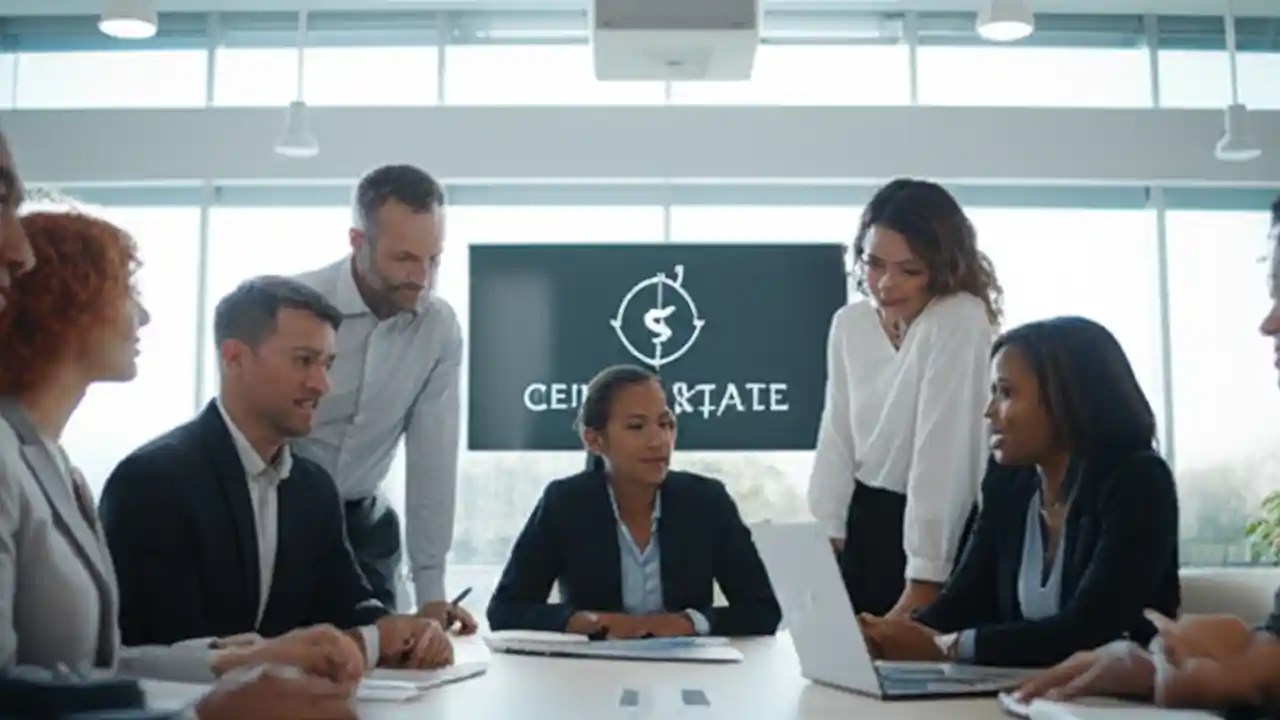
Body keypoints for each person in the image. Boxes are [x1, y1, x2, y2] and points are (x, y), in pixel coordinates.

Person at [0, 207, 361, 719]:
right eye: (128, 291)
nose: (142, 316)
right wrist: (205, 714)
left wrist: (253, 657)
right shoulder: (14, 462)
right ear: (66, 303)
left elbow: (102, 667)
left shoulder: (58, 466)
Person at [99, 276, 454, 672]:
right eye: (304, 360)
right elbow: (163, 648)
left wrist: (407, 633)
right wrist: (361, 642)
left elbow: (348, 603)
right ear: (234, 358)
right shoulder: (153, 483)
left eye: (328, 363)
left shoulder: (313, 488)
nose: (323, 384)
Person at [1016, 197, 1280, 714]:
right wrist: (1166, 656)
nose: (1268, 324)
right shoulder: (1010, 486)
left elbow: (1261, 680)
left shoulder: (1136, 480)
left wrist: (1173, 678)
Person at [857, 316, 1181, 668]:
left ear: (1067, 397)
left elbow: (1092, 629)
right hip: (1029, 695)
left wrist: (945, 647)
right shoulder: (1010, 482)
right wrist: (890, 635)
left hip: (1114, 703)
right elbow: (964, 601)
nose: (989, 411)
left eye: (1006, 392)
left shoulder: (1139, 482)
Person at [292, 164, 474, 632]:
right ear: (358, 242)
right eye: (404, 259)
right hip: (278, 515)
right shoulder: (296, 306)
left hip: (365, 526)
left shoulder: (438, 328)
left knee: (388, 667)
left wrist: (432, 593)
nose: (422, 278)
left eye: (434, 260)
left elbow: (433, 458)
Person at [808, 178, 1001, 619]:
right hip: (865, 523)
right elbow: (836, 436)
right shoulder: (850, 324)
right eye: (874, 264)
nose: (885, 284)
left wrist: (924, 582)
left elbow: (944, 459)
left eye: (908, 270)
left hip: (938, 534)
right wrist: (825, 544)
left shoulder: (959, 319)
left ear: (943, 267)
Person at [487, 365, 782, 638]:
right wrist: (580, 621)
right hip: (592, 677)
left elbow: (763, 611)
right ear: (594, 440)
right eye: (636, 427)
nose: (658, 440)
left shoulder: (707, 501)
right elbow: (505, 610)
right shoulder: (565, 503)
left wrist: (688, 622)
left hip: (690, 671)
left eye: (665, 424)